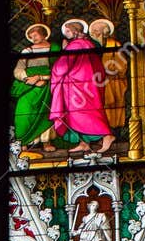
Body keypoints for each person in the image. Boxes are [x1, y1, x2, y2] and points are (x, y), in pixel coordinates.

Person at [48, 19, 116, 155]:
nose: (66, 33)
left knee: (85, 112)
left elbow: (62, 66)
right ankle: (84, 142)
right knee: (77, 114)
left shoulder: (76, 45)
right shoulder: (87, 43)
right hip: (84, 84)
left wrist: (54, 71)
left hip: (78, 85)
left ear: (75, 31)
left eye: (68, 30)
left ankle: (107, 135)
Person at [11, 23, 55, 151]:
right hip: (28, 87)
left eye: (35, 35)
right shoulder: (27, 51)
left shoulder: (54, 50)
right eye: (31, 36)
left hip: (48, 87)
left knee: (47, 113)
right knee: (23, 113)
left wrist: (42, 78)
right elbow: (18, 70)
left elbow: (59, 69)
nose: (33, 38)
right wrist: (28, 79)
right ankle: (24, 142)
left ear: (44, 34)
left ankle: (46, 142)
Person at [89, 17, 129, 135]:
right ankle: (101, 133)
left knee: (113, 106)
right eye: (93, 31)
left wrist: (110, 72)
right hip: (98, 81)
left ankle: (113, 132)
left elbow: (121, 64)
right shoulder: (94, 46)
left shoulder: (114, 44)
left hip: (113, 82)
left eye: (97, 30)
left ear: (104, 31)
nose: (94, 33)